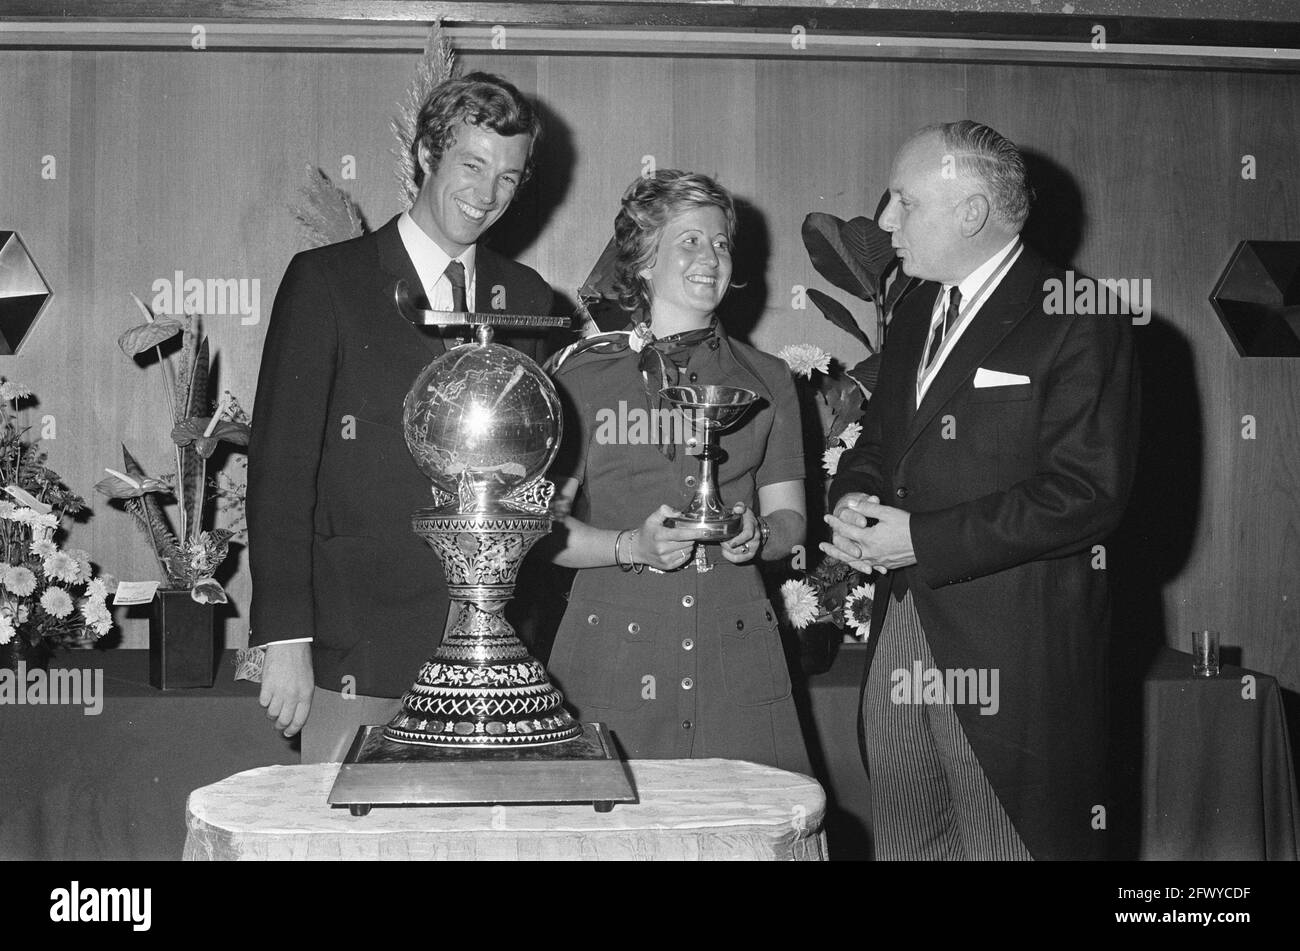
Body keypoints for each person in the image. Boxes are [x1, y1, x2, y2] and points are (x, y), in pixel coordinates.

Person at [825, 121, 1139, 860]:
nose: (885, 221)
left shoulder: (1078, 311)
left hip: (1016, 655)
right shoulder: (911, 312)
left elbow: (1088, 492)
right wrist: (854, 498)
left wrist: (921, 539)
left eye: (904, 201)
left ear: (970, 213)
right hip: (904, 625)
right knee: (906, 841)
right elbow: (879, 442)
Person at [247, 72, 554, 762]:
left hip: (485, 654)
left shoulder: (526, 295)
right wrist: (286, 639)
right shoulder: (327, 281)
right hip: (353, 649)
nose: (487, 195)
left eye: (508, 177)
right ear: (425, 154)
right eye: (471, 165)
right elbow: (281, 471)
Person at [544, 170, 810, 774]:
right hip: (609, 654)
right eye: (689, 241)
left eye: (720, 243)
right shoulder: (579, 380)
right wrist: (628, 544)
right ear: (642, 260)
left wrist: (760, 536)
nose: (710, 257)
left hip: (736, 651)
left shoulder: (768, 379)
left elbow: (791, 519)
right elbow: (541, 533)